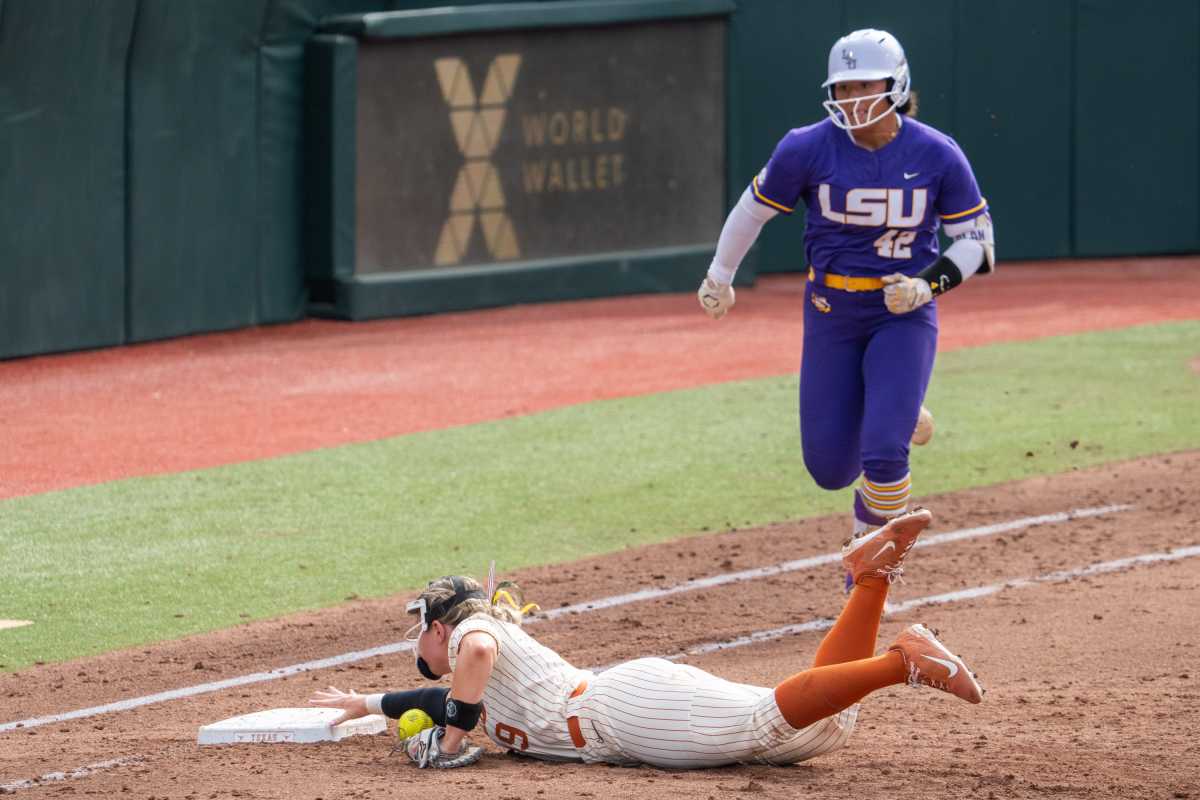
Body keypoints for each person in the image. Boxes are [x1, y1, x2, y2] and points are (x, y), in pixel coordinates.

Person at [309, 508, 983, 769]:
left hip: (618, 714)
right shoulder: (469, 660)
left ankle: (903, 662)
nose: (422, 649)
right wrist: (366, 705)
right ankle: (871, 579)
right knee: (823, 727)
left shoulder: (469, 636)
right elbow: (445, 689)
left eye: (418, 633)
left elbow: (475, 654)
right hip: (626, 702)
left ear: (435, 627)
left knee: (769, 725)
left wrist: (453, 741)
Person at [696, 30, 995, 580]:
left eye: (866, 85)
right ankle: (900, 415)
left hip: (903, 313)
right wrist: (720, 275)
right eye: (844, 86)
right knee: (829, 467)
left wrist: (929, 285)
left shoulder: (936, 152)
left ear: (896, 85)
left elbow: (978, 242)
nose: (854, 98)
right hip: (831, 309)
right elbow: (752, 209)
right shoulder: (806, 146)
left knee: (882, 454)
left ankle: (867, 564)